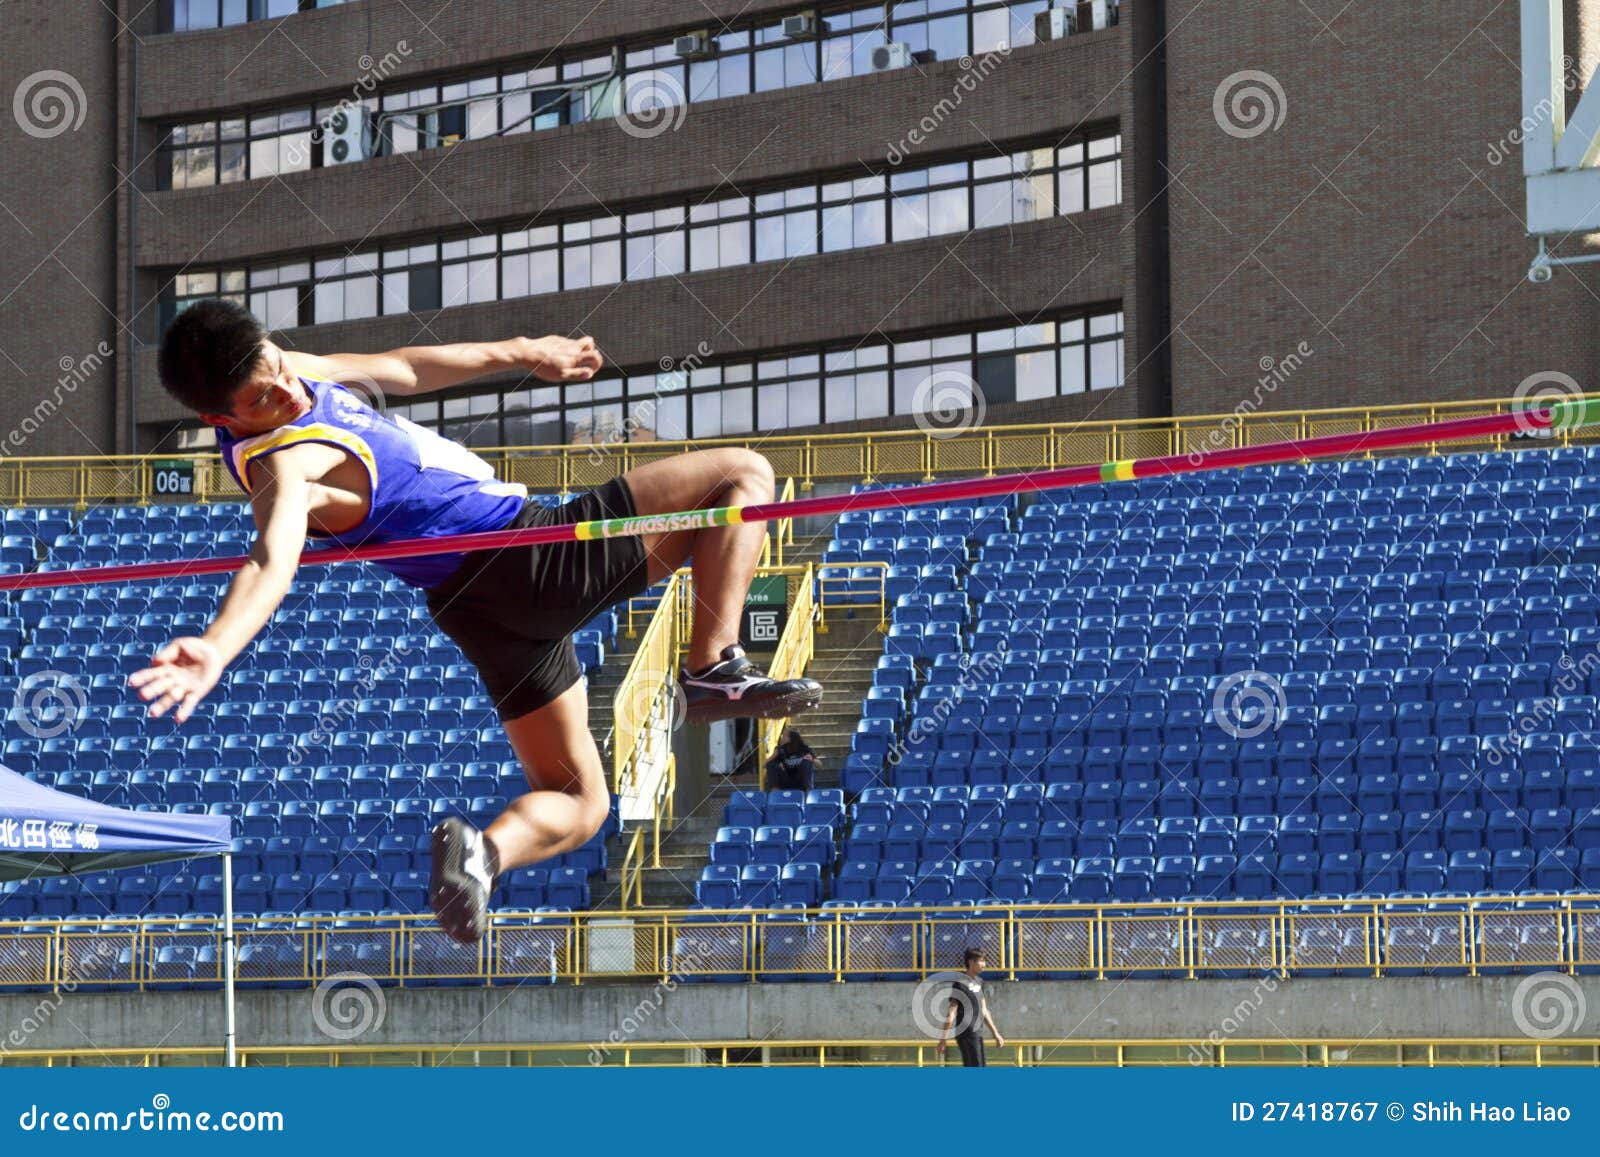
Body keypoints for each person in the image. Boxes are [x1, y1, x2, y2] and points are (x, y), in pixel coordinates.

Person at [132, 300, 823, 944]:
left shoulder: (284, 369)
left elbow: (403, 368)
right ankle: (710, 666)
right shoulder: (284, 465)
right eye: (261, 399)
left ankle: (483, 852)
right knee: (742, 477)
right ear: (217, 421)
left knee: (581, 802)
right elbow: (270, 558)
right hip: (523, 552)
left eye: (277, 369)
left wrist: (525, 351)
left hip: (480, 609)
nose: (286, 392)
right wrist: (218, 645)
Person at [936, 948, 1005, 1067]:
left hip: (978, 1032)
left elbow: (984, 1010)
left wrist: (995, 1033)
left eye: (984, 961)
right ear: (971, 962)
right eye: (981, 961)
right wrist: (943, 1039)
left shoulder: (980, 982)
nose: (984, 964)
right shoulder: (959, 983)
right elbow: (952, 1011)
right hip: (966, 1032)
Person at [764, 727, 821, 791]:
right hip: (786, 779)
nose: (782, 737)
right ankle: (775, 793)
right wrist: (773, 756)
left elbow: (819, 765)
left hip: (800, 780)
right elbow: (764, 765)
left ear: (792, 738)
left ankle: (807, 792)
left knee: (806, 763)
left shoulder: (804, 748)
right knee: (771, 764)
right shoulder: (780, 749)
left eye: (785, 735)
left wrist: (812, 760)